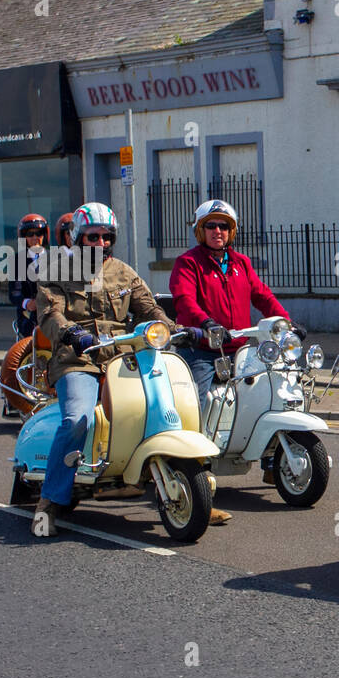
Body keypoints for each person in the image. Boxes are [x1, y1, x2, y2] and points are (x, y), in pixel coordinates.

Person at [31, 202, 203, 537]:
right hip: (77, 358)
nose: (99, 243)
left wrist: (173, 328)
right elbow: (49, 314)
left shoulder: (124, 272)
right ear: (77, 238)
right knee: (78, 418)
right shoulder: (55, 270)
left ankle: (192, 487)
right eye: (91, 236)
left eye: (105, 236)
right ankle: (50, 501)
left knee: (169, 405)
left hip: (122, 357)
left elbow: (148, 307)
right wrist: (70, 332)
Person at [169, 198, 296, 414]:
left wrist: (287, 324)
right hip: (203, 351)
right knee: (192, 406)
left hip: (240, 351)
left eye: (224, 226)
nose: (217, 231)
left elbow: (263, 296)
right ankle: (188, 445)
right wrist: (206, 323)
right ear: (200, 230)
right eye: (211, 226)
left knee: (267, 393)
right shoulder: (188, 262)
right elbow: (184, 299)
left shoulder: (241, 262)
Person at [5, 213, 49, 338]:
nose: (35, 237)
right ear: (24, 237)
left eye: (39, 233)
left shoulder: (55, 258)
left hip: (52, 314)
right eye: (30, 234)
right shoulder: (17, 260)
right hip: (29, 318)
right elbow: (14, 293)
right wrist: (27, 303)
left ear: (44, 236)